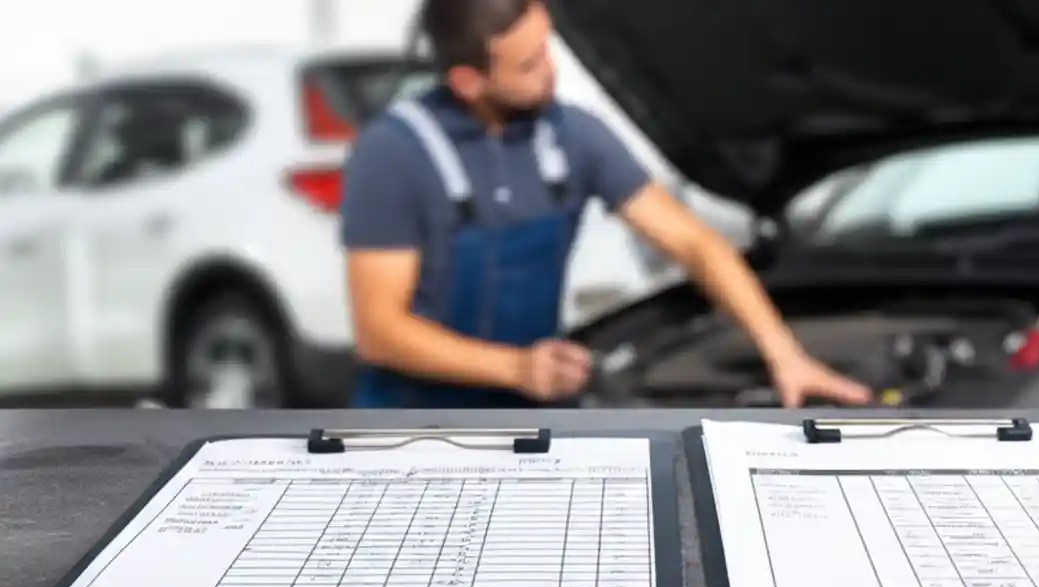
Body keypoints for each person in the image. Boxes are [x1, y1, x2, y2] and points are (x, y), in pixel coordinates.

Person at [340, 0, 872, 409]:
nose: (549, 71)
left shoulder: (573, 137)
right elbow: (380, 333)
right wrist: (516, 369)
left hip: (529, 414)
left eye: (546, 49)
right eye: (527, 64)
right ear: (468, 81)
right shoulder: (393, 153)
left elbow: (693, 243)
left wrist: (786, 357)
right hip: (409, 426)